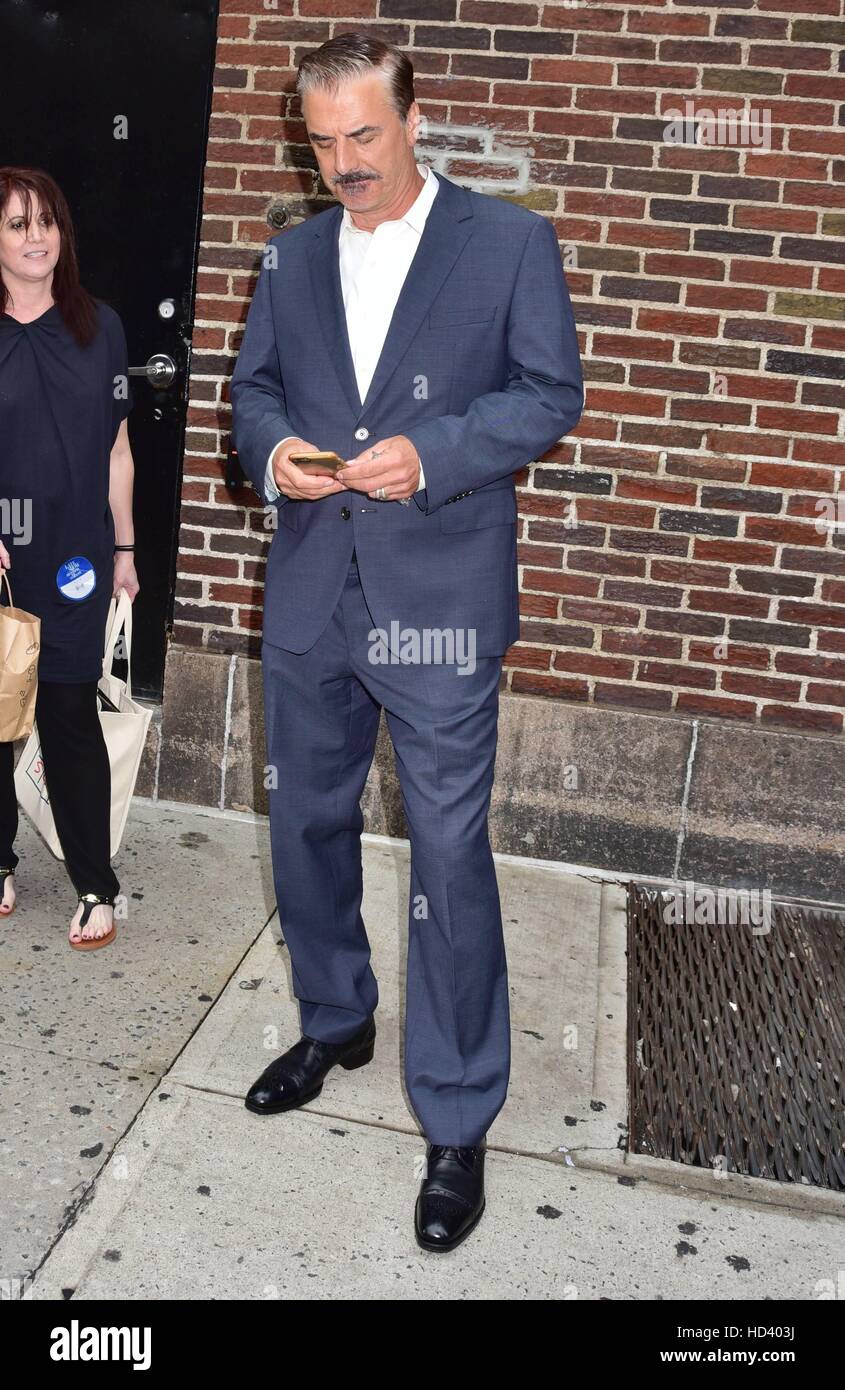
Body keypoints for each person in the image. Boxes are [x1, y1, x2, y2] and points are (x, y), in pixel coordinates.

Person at [231, 32, 583, 1251]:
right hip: (313, 590)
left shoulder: (508, 243)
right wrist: (272, 451)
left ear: (414, 116)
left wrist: (432, 454)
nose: (344, 165)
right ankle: (335, 1019)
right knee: (306, 824)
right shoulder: (287, 255)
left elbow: (548, 393)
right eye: (322, 143)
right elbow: (253, 391)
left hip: (439, 597)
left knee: (444, 852)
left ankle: (455, 1110)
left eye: (364, 136)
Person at [0, 167, 139, 950]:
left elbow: (118, 447)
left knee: (66, 715)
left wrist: (124, 545)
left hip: (74, 561)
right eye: (18, 224)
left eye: (47, 221)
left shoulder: (100, 327)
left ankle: (94, 883)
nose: (37, 237)